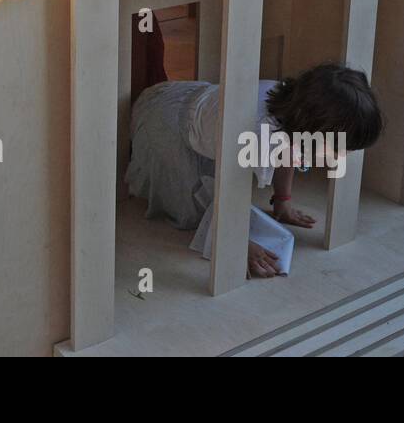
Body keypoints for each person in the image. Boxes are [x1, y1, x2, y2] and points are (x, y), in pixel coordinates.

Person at [125, 63, 383, 278]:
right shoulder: (254, 136)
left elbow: (287, 156)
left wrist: (283, 201)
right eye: (339, 147)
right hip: (165, 122)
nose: (343, 155)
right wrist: (239, 242)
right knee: (193, 212)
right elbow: (229, 193)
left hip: (188, 100)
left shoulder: (290, 114)